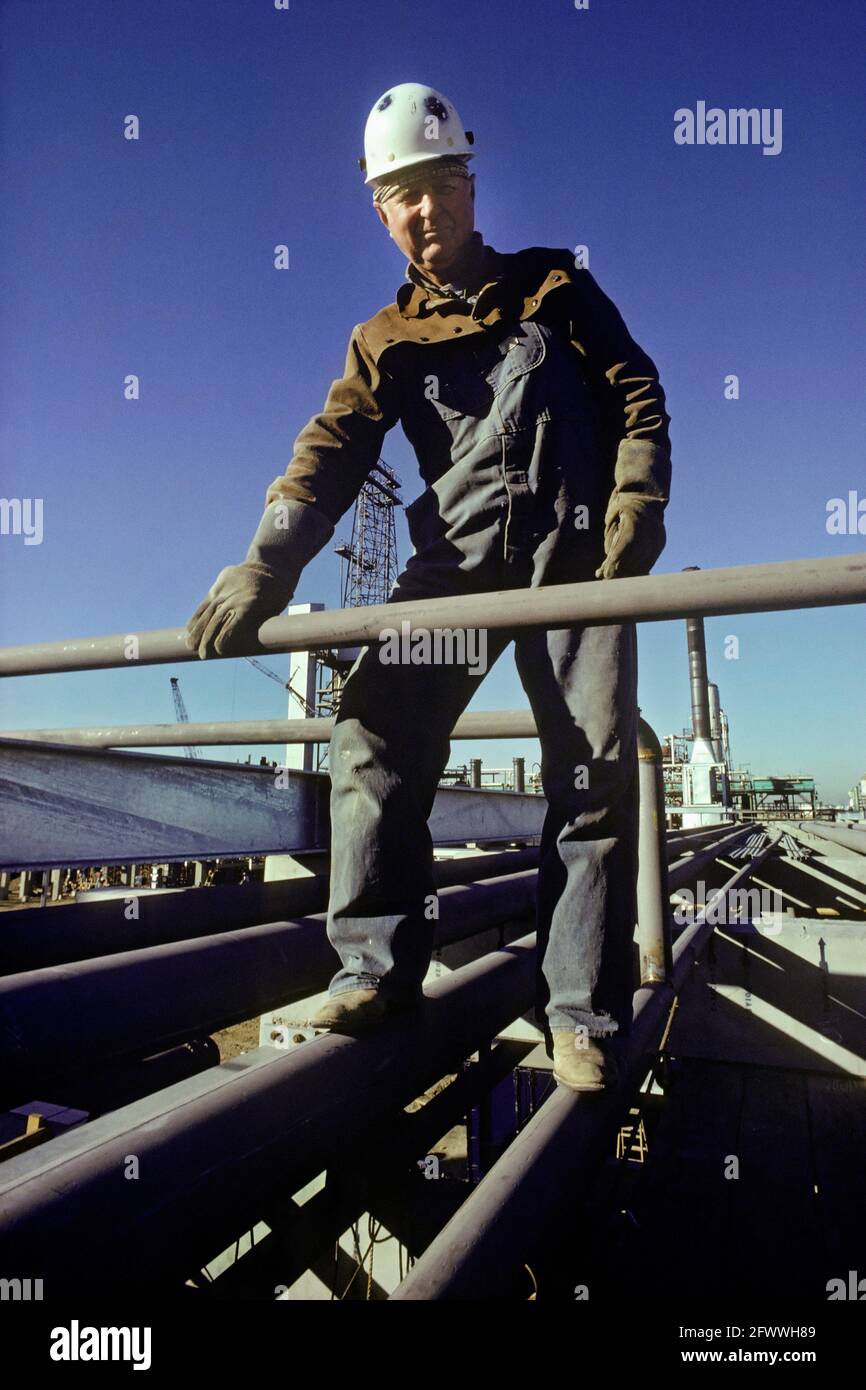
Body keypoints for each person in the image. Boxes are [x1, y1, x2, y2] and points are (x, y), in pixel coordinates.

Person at [185, 83, 672, 1091]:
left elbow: (635, 391)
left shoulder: (554, 287)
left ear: (468, 185)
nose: (421, 210)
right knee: (371, 727)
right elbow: (319, 465)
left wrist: (634, 503)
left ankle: (578, 1013)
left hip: (574, 564)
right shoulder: (382, 341)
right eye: (398, 194)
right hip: (456, 569)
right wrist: (265, 564)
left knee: (586, 773)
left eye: (437, 185)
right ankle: (376, 967)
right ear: (379, 212)